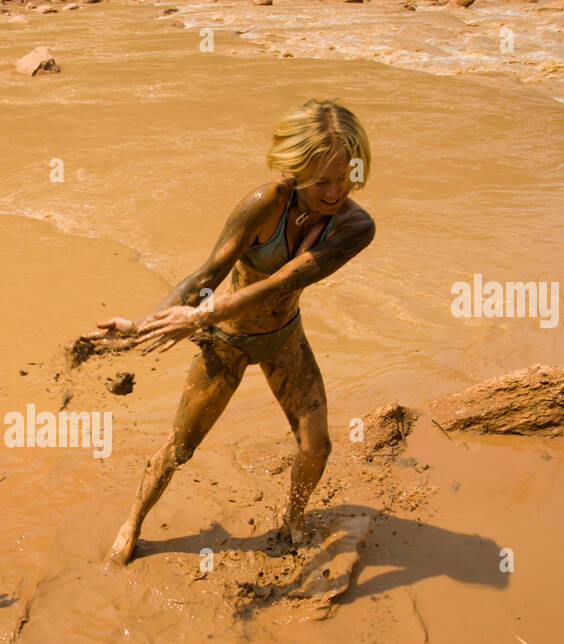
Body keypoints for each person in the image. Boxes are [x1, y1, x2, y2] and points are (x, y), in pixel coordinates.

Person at [94, 98, 376, 565]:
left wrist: (199, 316)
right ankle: (133, 522)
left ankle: (293, 518)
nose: (334, 191)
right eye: (321, 179)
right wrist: (139, 326)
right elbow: (205, 277)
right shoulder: (265, 202)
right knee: (181, 448)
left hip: (284, 337)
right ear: (295, 169)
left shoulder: (356, 227)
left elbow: (285, 281)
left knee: (316, 446)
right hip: (225, 341)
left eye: (345, 175)